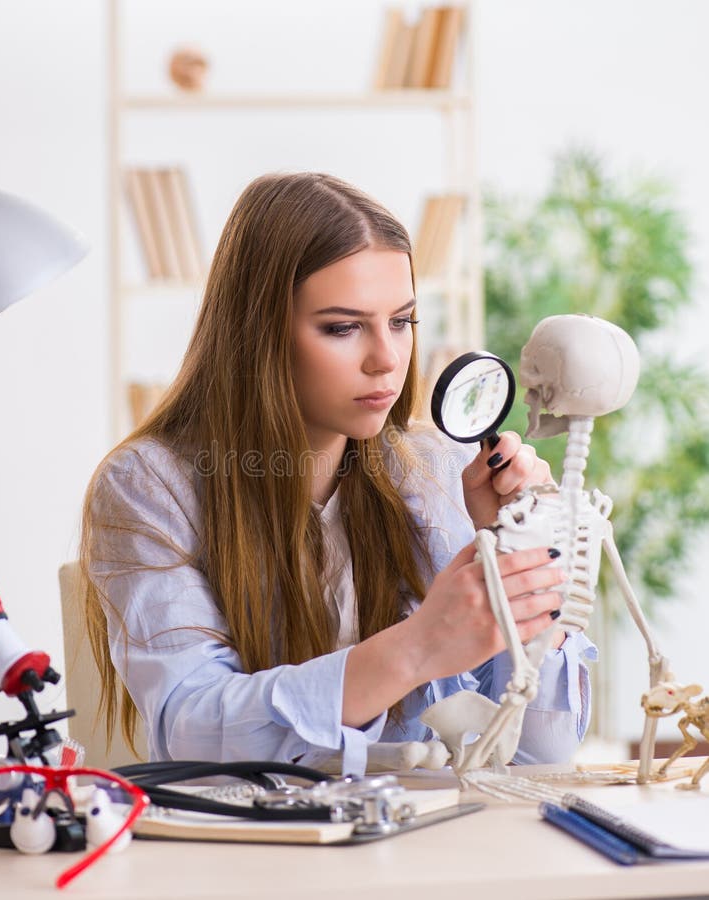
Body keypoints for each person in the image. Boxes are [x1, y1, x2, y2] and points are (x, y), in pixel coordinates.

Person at [81, 172, 595, 775]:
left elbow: (543, 748)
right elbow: (193, 731)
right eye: (343, 327)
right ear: (259, 334)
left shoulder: (440, 472)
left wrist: (521, 556)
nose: (386, 360)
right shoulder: (149, 485)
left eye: (401, 321)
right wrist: (414, 649)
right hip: (254, 858)